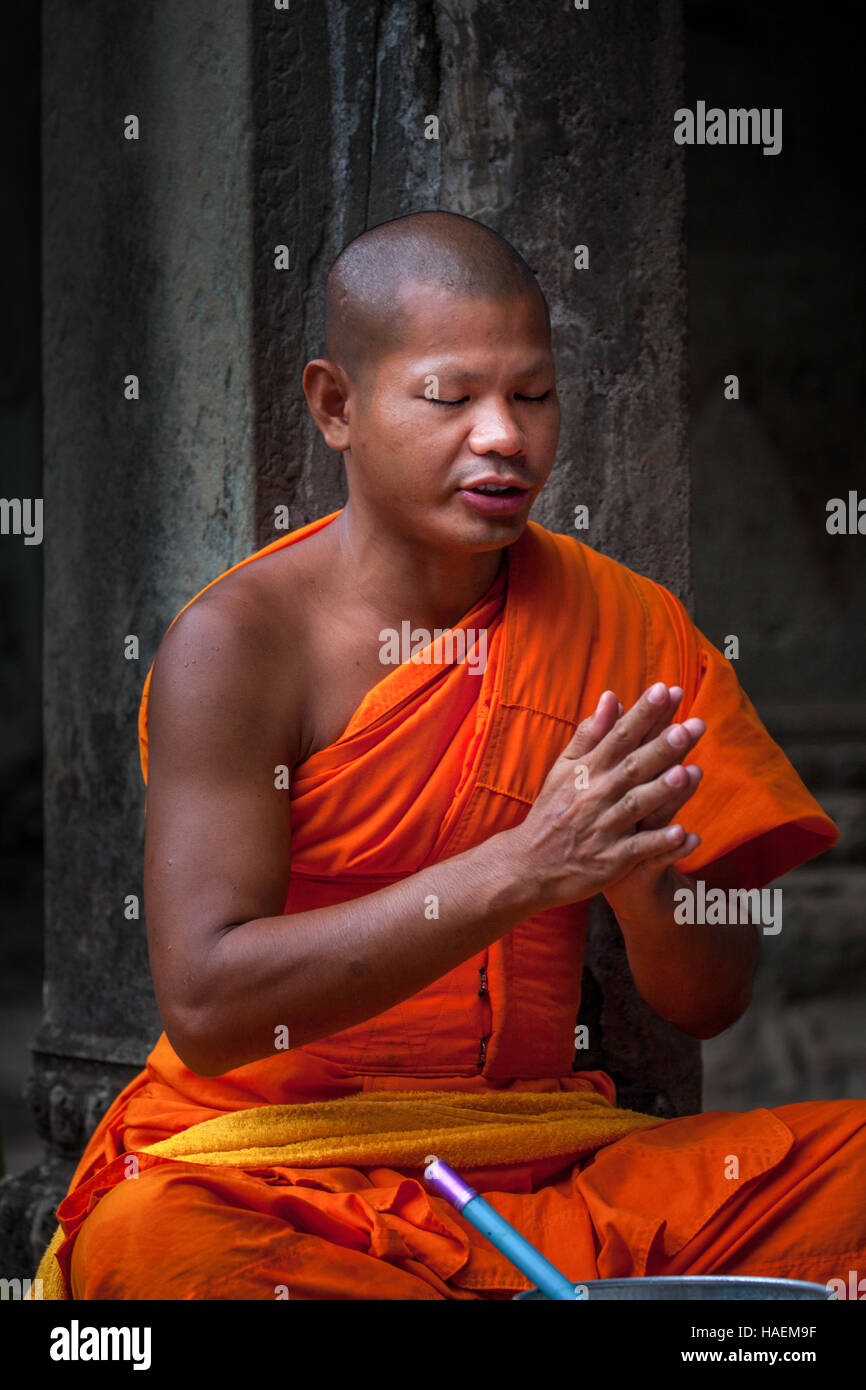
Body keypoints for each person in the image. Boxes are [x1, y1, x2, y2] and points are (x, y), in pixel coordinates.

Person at [36, 211, 865, 1300]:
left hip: (546, 1174)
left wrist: (635, 868)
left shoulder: (626, 626)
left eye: (530, 396)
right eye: (450, 398)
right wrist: (526, 865)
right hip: (281, 1176)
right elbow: (208, 1001)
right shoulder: (240, 646)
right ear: (335, 405)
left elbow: (706, 999)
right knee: (155, 1252)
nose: (503, 439)